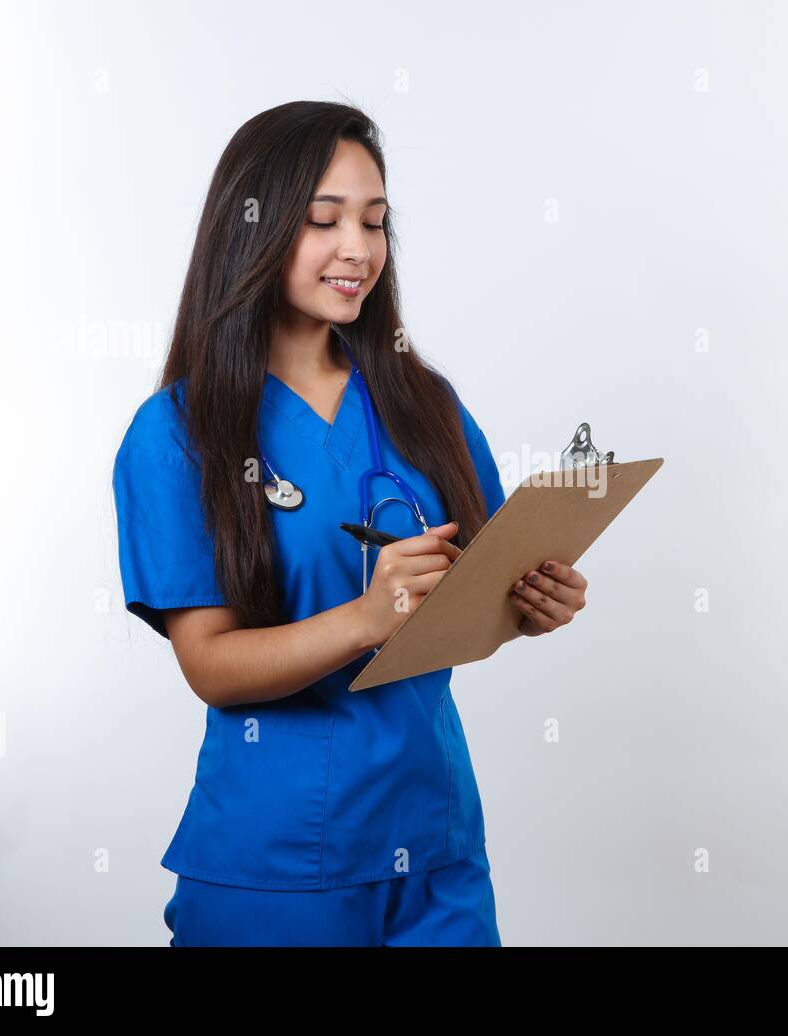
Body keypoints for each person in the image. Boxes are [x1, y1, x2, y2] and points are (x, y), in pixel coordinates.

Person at [111, 101, 589, 946]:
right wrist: (366, 618)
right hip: (277, 866)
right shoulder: (178, 433)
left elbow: (460, 600)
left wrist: (526, 606)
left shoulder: (421, 403)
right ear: (250, 230)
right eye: (324, 220)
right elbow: (212, 667)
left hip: (435, 850)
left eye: (375, 222)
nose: (358, 250)